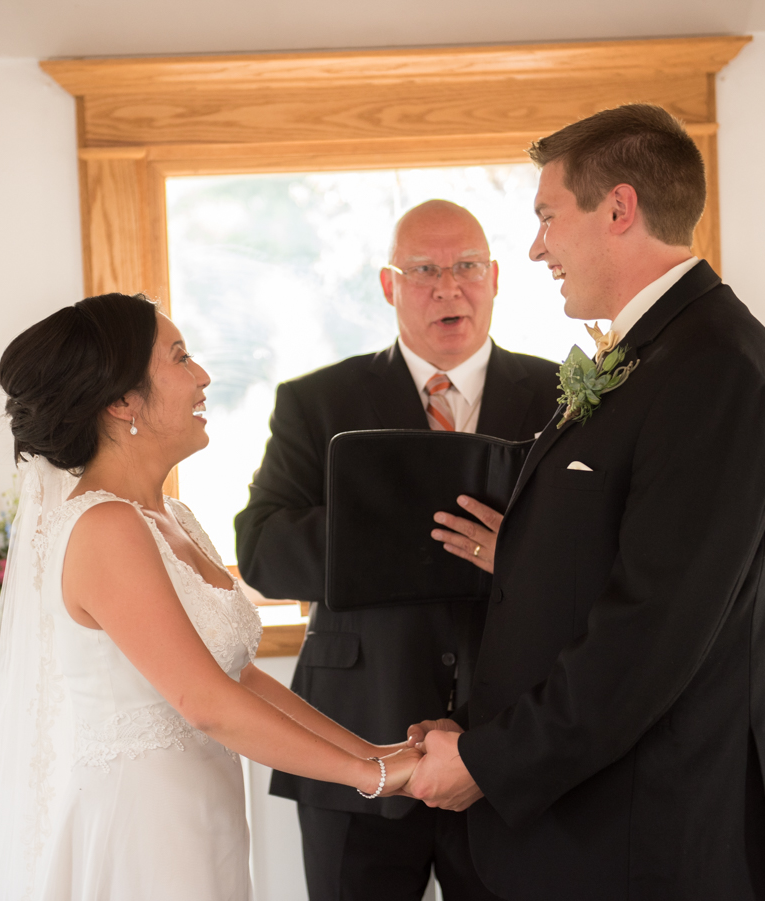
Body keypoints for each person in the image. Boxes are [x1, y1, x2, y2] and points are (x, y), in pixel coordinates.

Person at [405, 105, 765, 900]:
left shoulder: (713, 369)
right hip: (604, 828)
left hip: (655, 838)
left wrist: (487, 761)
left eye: (547, 217)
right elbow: (630, 557)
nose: (536, 248)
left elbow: (649, 632)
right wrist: (524, 550)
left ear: (619, 209)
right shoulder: (658, 353)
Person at [0, 294, 422, 901]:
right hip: (145, 826)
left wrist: (372, 750)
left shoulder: (171, 516)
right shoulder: (106, 528)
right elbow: (205, 702)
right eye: (180, 358)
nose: (203, 376)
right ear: (122, 400)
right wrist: (372, 778)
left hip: (205, 809)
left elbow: (235, 675)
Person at [234, 200, 561, 901]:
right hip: (354, 739)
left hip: (511, 743)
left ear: (497, 277)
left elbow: (606, 551)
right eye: (425, 269)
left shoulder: (564, 397)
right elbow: (261, 548)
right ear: (388, 285)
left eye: (468, 266)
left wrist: (523, 551)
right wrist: (401, 530)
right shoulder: (314, 401)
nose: (450, 286)